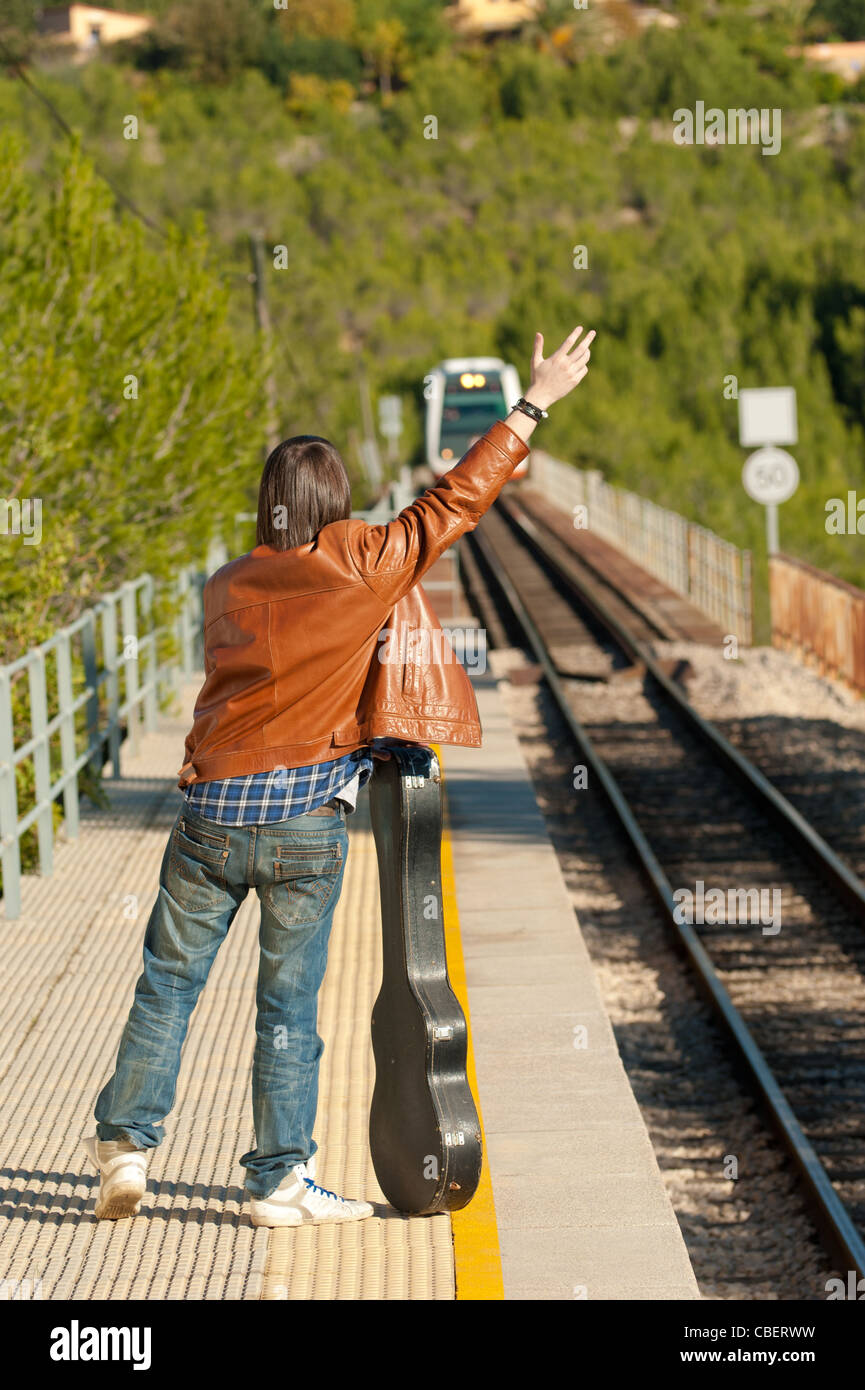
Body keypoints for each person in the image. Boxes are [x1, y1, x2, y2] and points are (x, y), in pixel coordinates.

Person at [81, 326, 596, 1227]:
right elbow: (455, 502)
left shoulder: (226, 585)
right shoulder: (364, 563)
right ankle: (278, 1181)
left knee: (166, 985)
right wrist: (532, 403)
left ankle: (125, 1148)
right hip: (302, 822)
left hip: (207, 812)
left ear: (267, 504)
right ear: (337, 501)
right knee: (286, 1004)